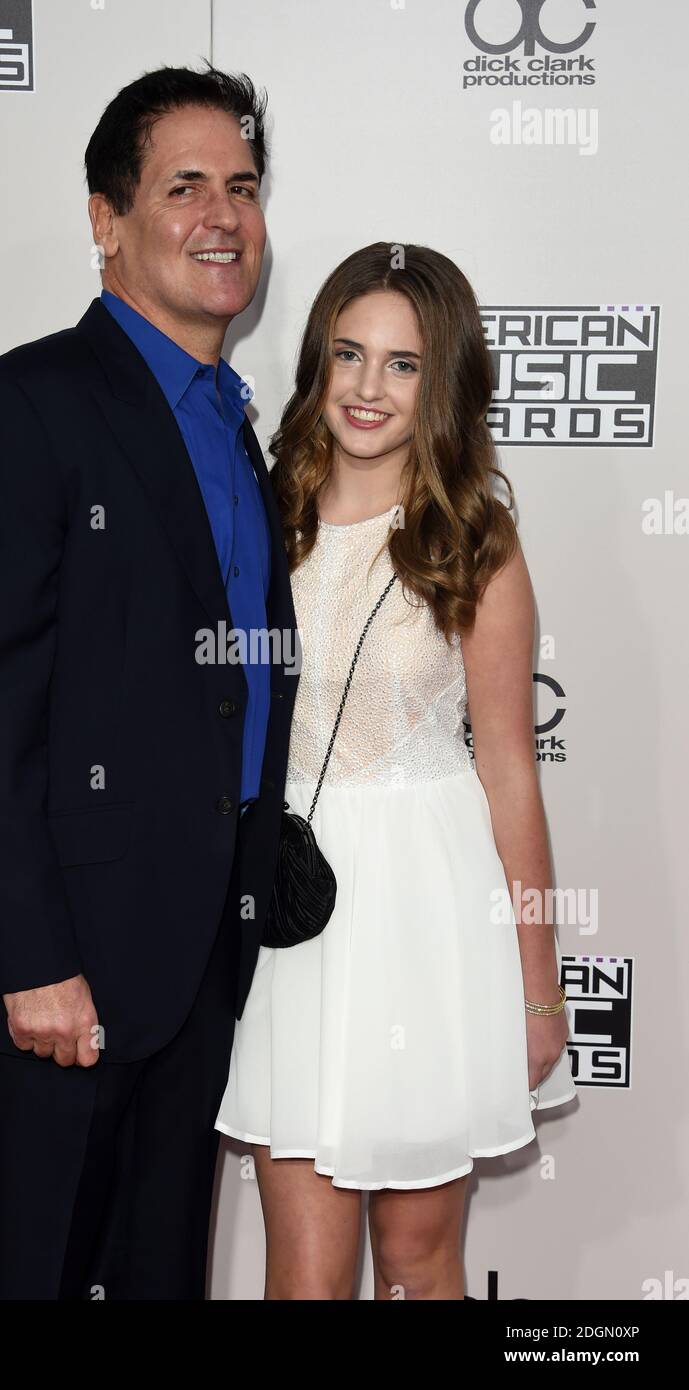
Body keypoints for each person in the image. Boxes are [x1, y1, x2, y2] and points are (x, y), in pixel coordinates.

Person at [0, 62, 299, 1300]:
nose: (221, 214)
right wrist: (31, 960)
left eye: (241, 185)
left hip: (193, 968)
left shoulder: (232, 424)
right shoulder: (21, 408)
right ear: (105, 218)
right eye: (184, 186)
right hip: (55, 972)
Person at [215, 242, 577, 1300]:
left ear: (444, 381)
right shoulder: (257, 515)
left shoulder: (473, 543)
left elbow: (510, 770)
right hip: (290, 915)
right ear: (316, 363)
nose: (367, 388)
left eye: (403, 364)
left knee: (419, 1265)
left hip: (427, 916)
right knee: (303, 1272)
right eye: (347, 353)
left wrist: (534, 986)